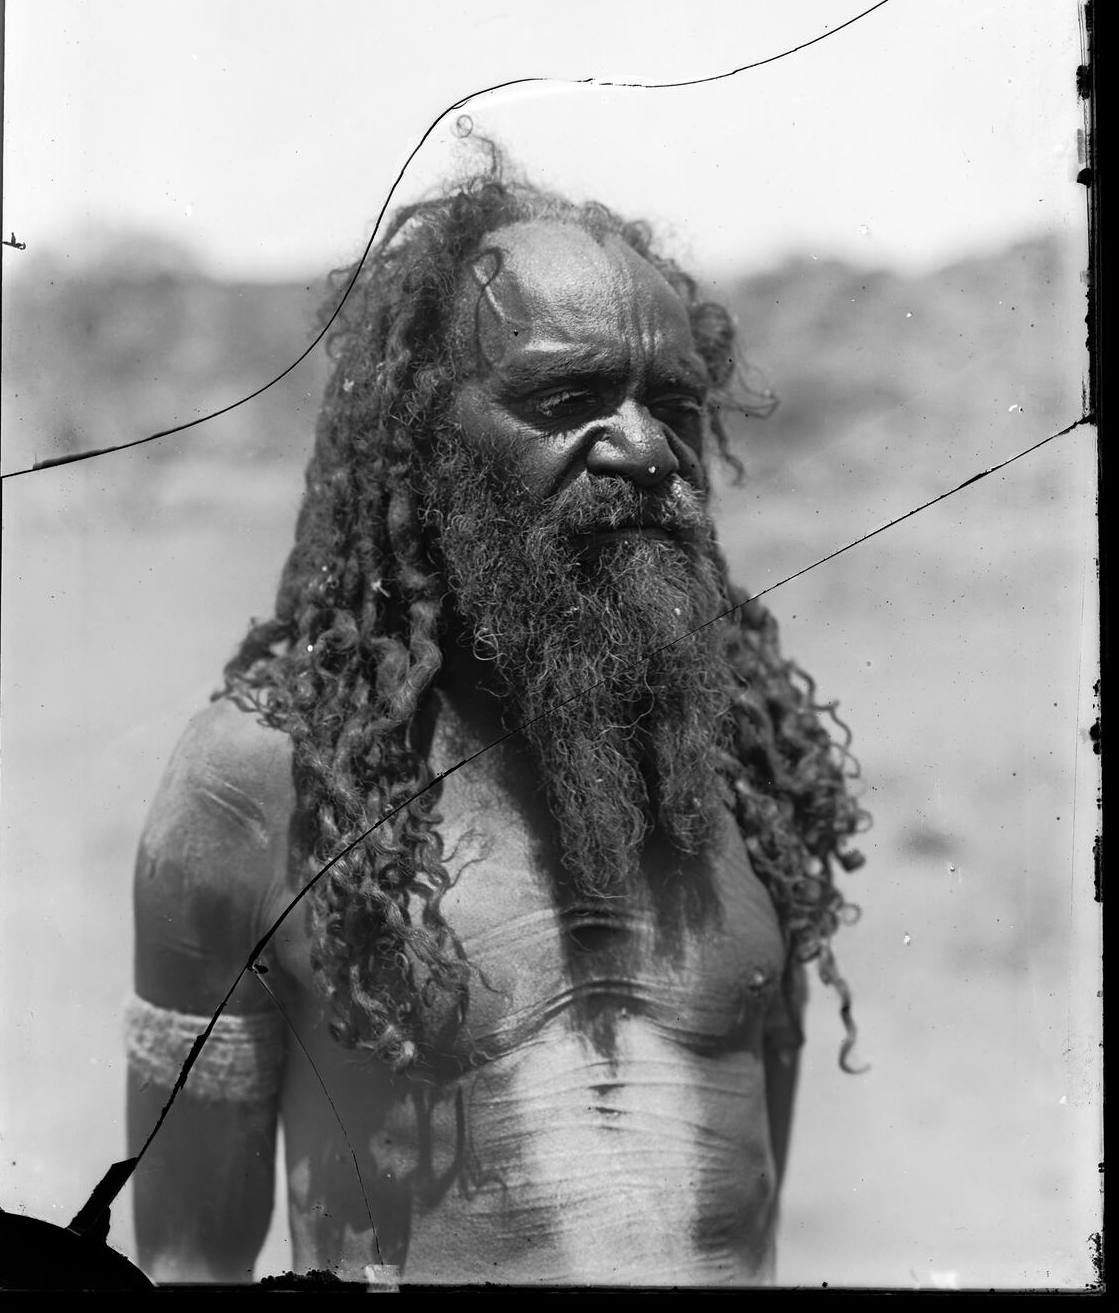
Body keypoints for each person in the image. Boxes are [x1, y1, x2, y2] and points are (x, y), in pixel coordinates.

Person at [125, 153, 869, 1288]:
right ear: (427, 443)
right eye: (567, 400)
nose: (643, 447)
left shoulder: (742, 760)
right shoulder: (257, 785)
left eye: (669, 405)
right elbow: (187, 1266)